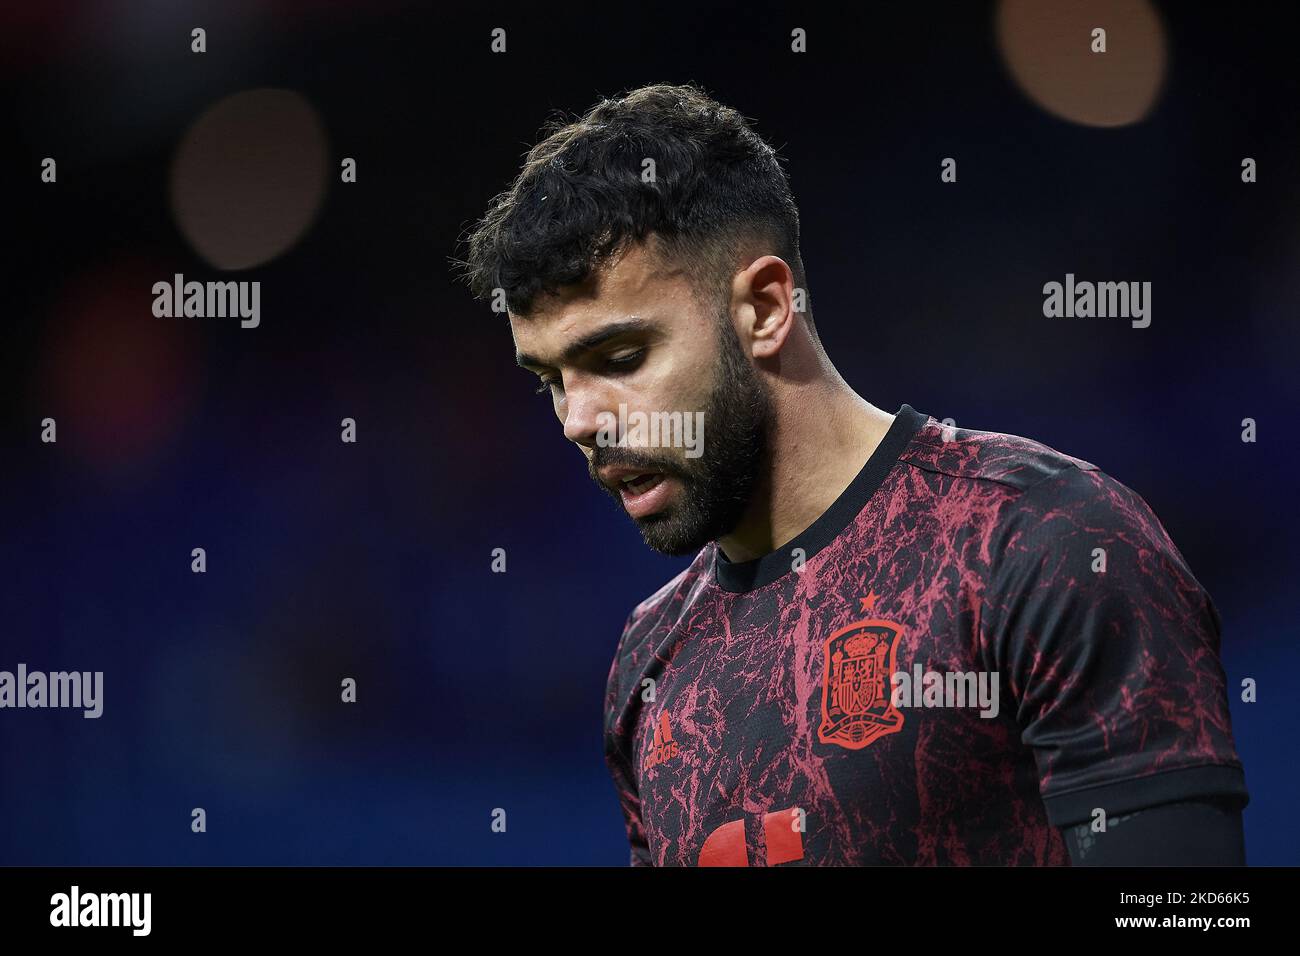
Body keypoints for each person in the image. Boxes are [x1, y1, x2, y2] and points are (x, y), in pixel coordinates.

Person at [457, 82, 1248, 865]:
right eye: (551, 380)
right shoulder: (651, 661)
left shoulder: (1043, 544)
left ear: (765, 308)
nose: (578, 420)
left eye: (621, 358)